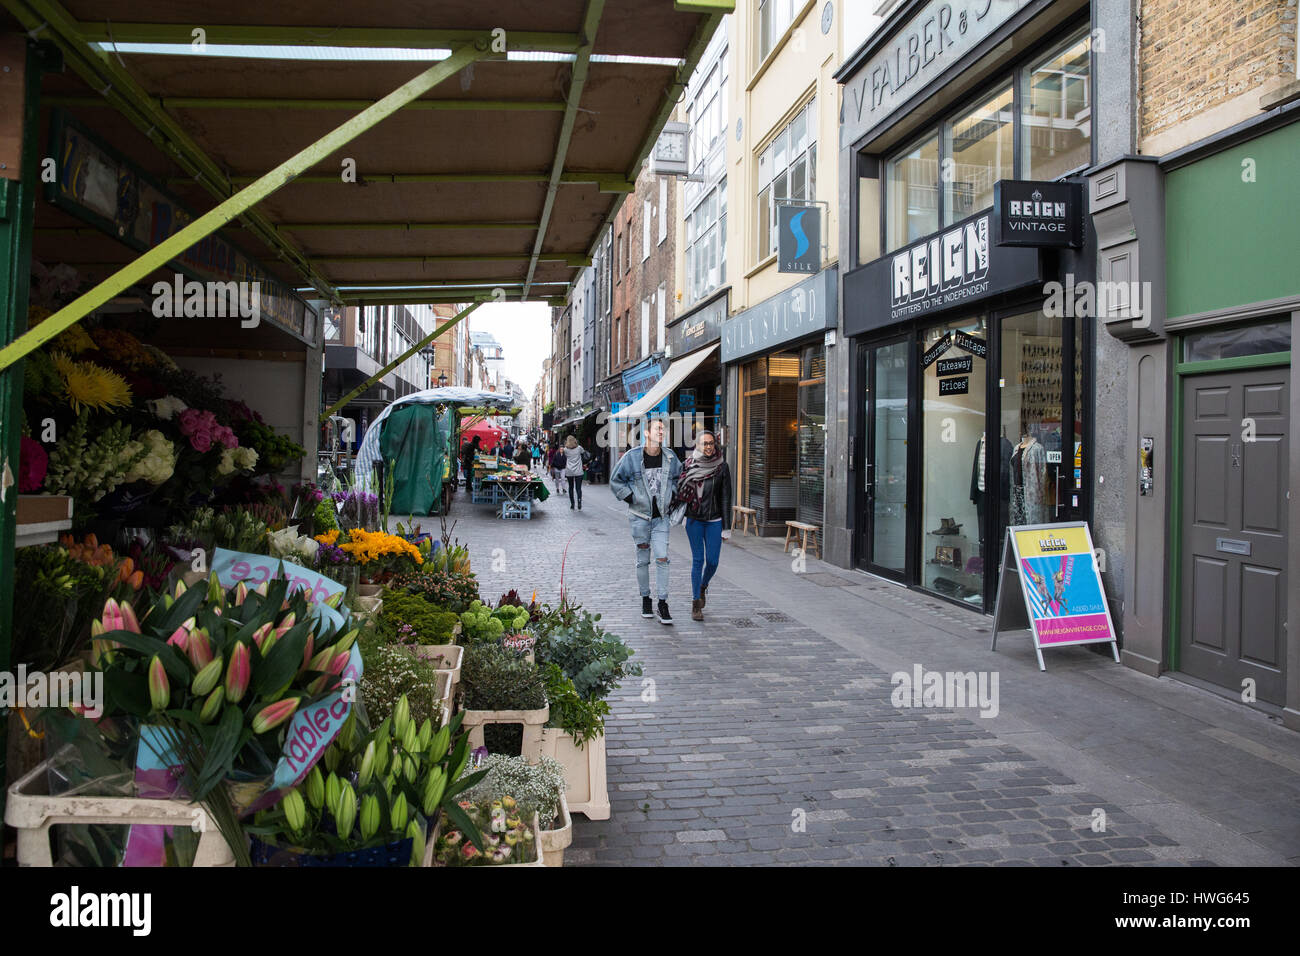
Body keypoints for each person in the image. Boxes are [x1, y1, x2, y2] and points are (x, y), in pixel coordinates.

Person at [610, 418, 682, 625]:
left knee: (662, 557)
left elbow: (679, 478)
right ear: (647, 433)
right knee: (643, 560)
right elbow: (615, 481)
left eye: (663, 429)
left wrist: (673, 495)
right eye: (658, 429)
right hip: (639, 518)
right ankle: (645, 599)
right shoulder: (632, 457)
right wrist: (632, 498)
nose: (661, 432)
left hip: (662, 518)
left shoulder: (670, 457)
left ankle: (662, 602)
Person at [670, 429, 732, 622]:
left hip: (714, 520)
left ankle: (703, 586)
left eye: (711, 443)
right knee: (698, 560)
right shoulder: (687, 465)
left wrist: (727, 527)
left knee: (712, 562)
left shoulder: (722, 467)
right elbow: (677, 488)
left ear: (715, 445)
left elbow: (726, 498)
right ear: (697, 445)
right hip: (694, 520)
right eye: (704, 443)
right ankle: (696, 603)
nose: (708, 447)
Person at [562, 434, 591, 510]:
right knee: (578, 488)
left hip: (569, 471)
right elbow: (583, 453)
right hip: (578, 471)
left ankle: (572, 504)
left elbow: (564, 456)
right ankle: (579, 502)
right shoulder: (579, 448)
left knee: (570, 488)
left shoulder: (565, 449)